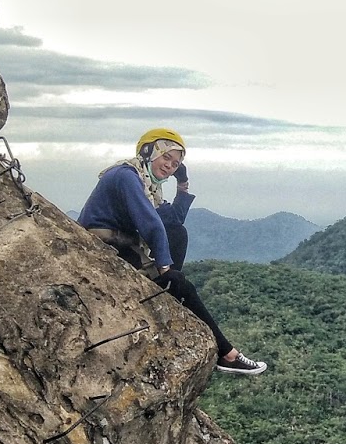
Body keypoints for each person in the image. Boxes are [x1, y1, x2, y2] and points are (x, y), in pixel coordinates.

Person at [77, 128, 265, 375]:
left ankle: (170, 289)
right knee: (177, 281)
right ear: (148, 151)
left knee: (177, 233)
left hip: (124, 247)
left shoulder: (149, 187)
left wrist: (183, 184)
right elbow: (151, 224)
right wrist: (166, 269)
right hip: (102, 247)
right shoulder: (125, 176)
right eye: (166, 157)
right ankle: (227, 353)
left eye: (176, 164)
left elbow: (173, 219)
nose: (170, 166)